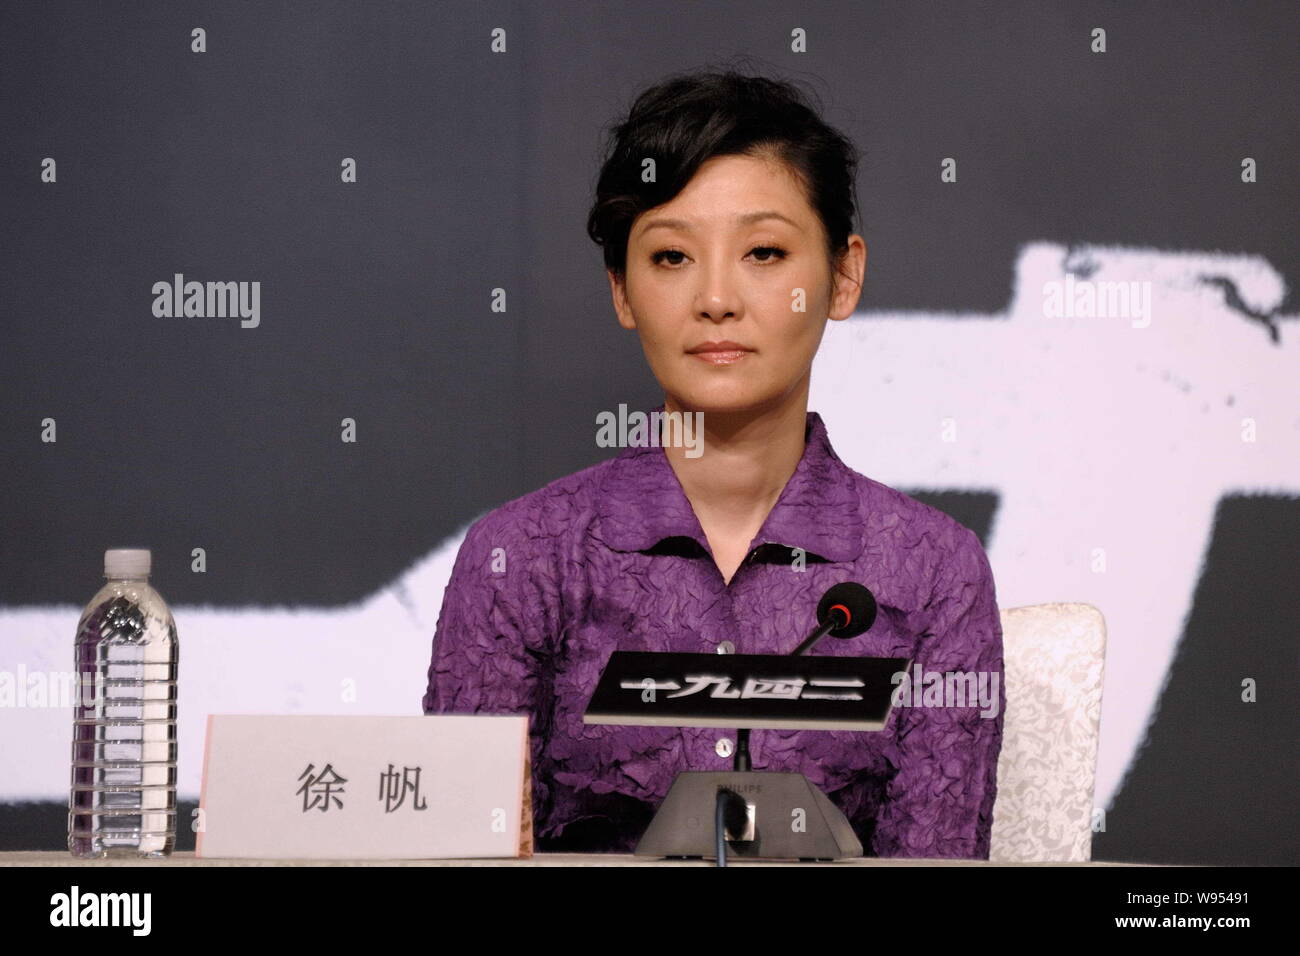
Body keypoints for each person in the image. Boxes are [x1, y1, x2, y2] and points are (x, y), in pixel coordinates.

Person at [422, 68, 1005, 858]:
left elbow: (937, 867)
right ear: (622, 291)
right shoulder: (519, 556)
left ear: (842, 276)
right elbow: (464, 854)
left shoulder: (934, 570)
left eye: (764, 251)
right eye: (671, 258)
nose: (717, 298)